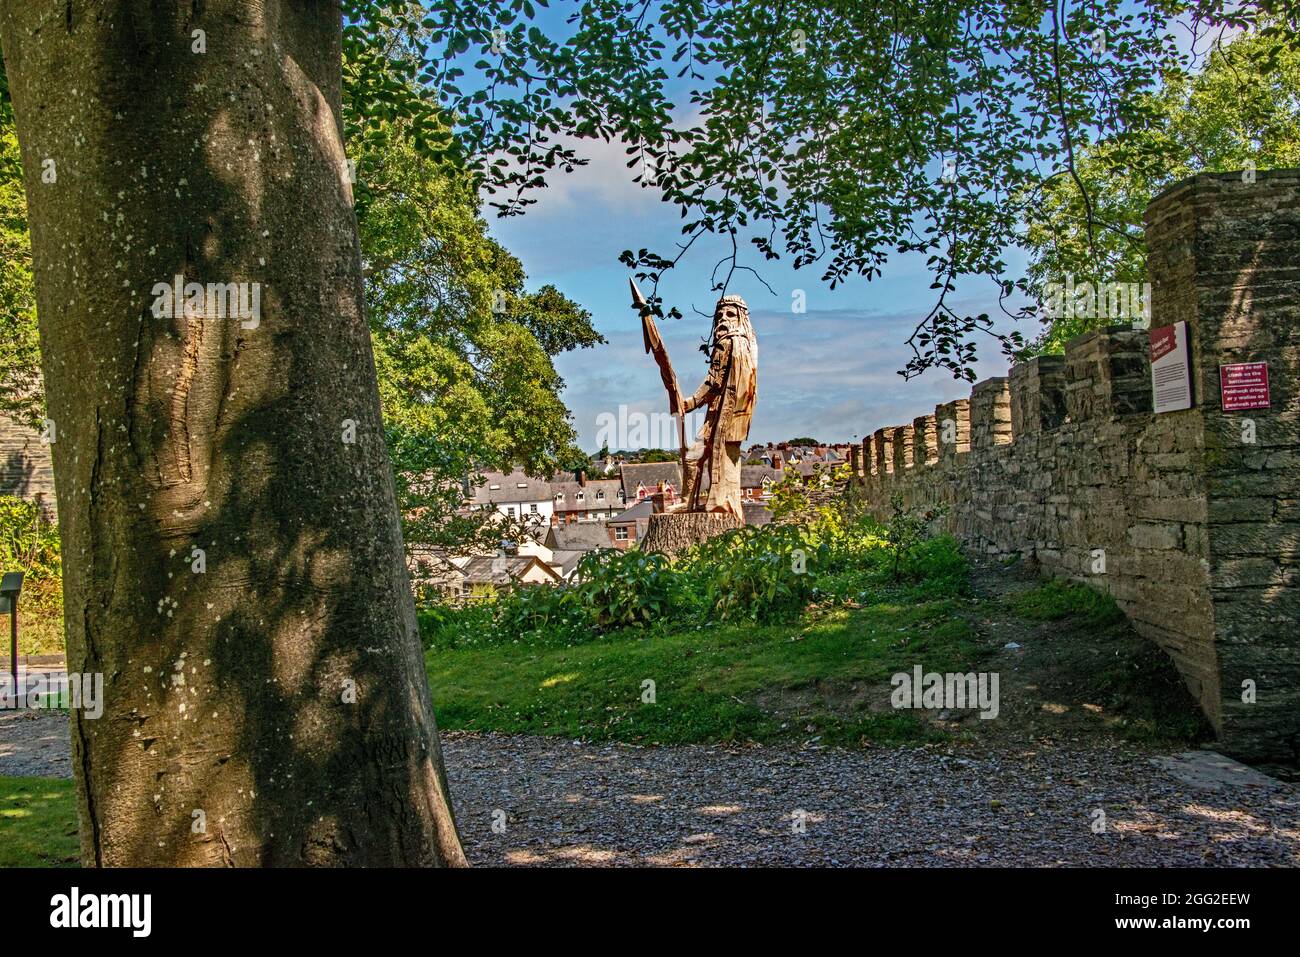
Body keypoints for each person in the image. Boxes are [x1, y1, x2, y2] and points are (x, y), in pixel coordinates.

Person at [680, 294, 758, 517]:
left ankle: (693, 503)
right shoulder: (749, 346)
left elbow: (713, 381)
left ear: (741, 318)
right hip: (731, 416)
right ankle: (695, 504)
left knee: (692, 457)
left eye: (730, 314)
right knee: (702, 457)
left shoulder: (727, 343)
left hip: (723, 416)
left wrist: (689, 403)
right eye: (720, 315)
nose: (723, 319)